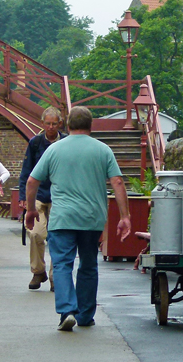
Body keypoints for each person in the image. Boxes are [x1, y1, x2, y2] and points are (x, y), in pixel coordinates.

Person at [25, 106, 131, 331]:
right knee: (89, 265)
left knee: (63, 263)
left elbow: (32, 181)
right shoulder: (103, 150)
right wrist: (125, 216)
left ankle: (66, 310)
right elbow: (118, 183)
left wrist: (31, 210)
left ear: (67, 125)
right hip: (91, 219)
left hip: (63, 217)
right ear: (91, 126)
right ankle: (84, 315)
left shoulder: (54, 149)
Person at [19, 107, 65, 290]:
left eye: (54, 124)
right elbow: (26, 171)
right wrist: (23, 196)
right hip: (38, 194)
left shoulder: (66, 142)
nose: (51, 127)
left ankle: (56, 277)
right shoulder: (35, 143)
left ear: (60, 124)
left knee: (57, 236)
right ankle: (38, 271)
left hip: (59, 195)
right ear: (42, 123)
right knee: (36, 233)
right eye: (48, 123)